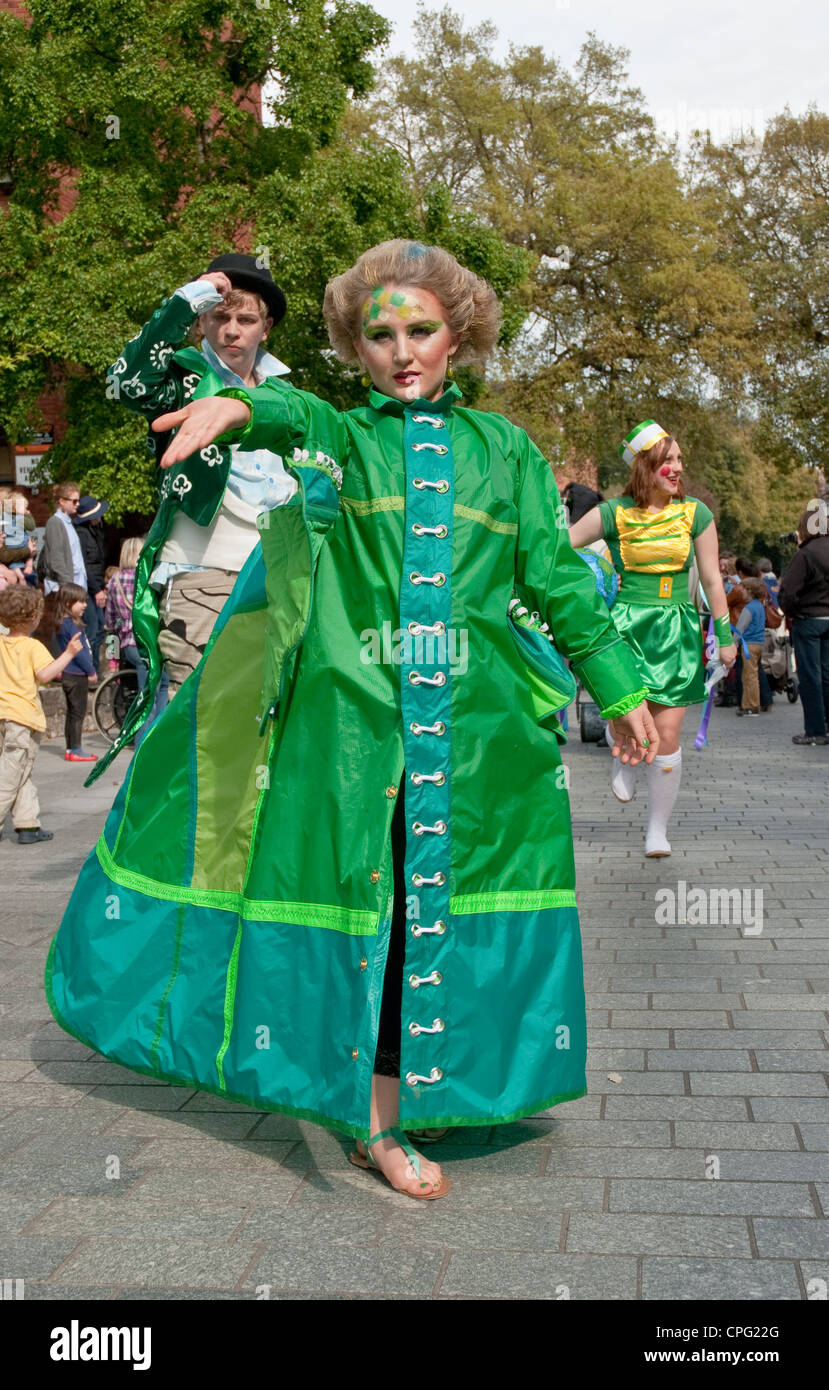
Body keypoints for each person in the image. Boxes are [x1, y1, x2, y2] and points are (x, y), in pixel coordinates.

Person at [47, 239, 657, 1201]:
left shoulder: (506, 450)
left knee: (446, 902)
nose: (401, 350)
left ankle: (444, 1082)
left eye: (420, 329)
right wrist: (242, 402)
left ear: (459, 336)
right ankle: (376, 1116)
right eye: (380, 335)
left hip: (478, 729)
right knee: (380, 905)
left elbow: (553, 581)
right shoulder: (347, 435)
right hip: (354, 730)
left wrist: (618, 690)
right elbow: (292, 417)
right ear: (354, 346)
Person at [93, 254, 294, 780]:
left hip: (279, 578)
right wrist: (189, 297)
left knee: (267, 730)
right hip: (204, 574)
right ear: (204, 320)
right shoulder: (184, 377)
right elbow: (125, 382)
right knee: (198, 726)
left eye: (245, 319)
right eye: (218, 317)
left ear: (266, 327)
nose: (231, 330)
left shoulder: (284, 396)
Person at [569, 420, 736, 857]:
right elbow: (559, 548)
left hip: (676, 630)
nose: (678, 467)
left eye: (680, 459)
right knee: (624, 715)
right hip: (623, 629)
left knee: (667, 732)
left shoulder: (695, 514)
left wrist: (725, 634)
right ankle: (618, 745)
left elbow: (714, 582)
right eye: (668, 460)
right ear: (645, 467)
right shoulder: (613, 513)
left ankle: (656, 831)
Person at [0, 585, 83, 843]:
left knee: (21, 771)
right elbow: (46, 674)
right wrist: (69, 654)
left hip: (3, 716)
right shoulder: (32, 646)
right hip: (23, 719)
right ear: (33, 617)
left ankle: (27, 826)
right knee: (11, 775)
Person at [104, 537, 169, 742]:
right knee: (160, 687)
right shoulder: (149, 576)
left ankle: (148, 737)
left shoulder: (114, 581)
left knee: (148, 689)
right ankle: (150, 738)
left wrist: (112, 657)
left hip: (129, 645)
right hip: (150, 641)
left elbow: (110, 622)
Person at [778, 501, 829, 745]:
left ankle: (815, 730)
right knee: (828, 675)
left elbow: (788, 591)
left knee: (811, 677)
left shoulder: (806, 554)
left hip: (809, 620)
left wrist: (792, 610)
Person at [47, 583, 99, 762]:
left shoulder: (62, 623)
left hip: (68, 673)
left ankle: (70, 748)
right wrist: (91, 670)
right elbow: (80, 653)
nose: (84, 605)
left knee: (71, 713)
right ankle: (76, 748)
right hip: (77, 674)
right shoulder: (71, 626)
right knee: (78, 713)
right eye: (80, 601)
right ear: (68, 603)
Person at [73, 495, 110, 670]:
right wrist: (97, 590)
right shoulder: (82, 535)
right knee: (92, 630)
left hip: (96, 585)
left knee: (101, 629)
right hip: (87, 589)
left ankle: (93, 668)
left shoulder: (95, 532)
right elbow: (84, 565)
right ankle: (90, 670)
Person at [36, 482, 87, 596]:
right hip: (65, 589)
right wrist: (69, 586)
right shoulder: (55, 522)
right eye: (74, 501)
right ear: (62, 501)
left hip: (76, 586)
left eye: (78, 500)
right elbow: (56, 560)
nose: (77, 504)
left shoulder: (67, 522)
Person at [735, 577, 767, 716]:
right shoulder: (759, 606)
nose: (742, 592)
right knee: (749, 674)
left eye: (744, 589)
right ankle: (746, 704)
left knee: (750, 676)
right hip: (758, 643)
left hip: (749, 644)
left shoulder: (748, 608)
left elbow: (740, 627)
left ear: (749, 591)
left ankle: (753, 706)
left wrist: (733, 642)